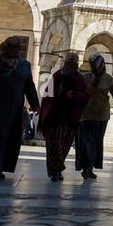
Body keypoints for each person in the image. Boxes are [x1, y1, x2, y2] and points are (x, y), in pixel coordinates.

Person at [0, 38, 40, 182]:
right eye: (10, 48)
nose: (14, 51)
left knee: (10, 139)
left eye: (16, 48)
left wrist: (35, 104)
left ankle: (1, 168)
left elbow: (29, 86)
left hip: (15, 109)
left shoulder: (24, 65)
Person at [38, 53, 88, 181]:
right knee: (53, 146)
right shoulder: (56, 76)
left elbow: (85, 96)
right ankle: (55, 170)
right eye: (68, 61)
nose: (70, 63)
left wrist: (74, 95)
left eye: (73, 61)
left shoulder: (79, 79)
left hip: (69, 118)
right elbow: (47, 95)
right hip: (53, 117)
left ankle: (57, 169)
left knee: (63, 145)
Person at [75, 54, 113, 181]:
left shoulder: (108, 79)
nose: (93, 67)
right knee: (87, 142)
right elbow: (78, 90)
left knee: (96, 142)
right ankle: (85, 167)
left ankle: (89, 168)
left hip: (102, 115)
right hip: (87, 115)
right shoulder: (86, 77)